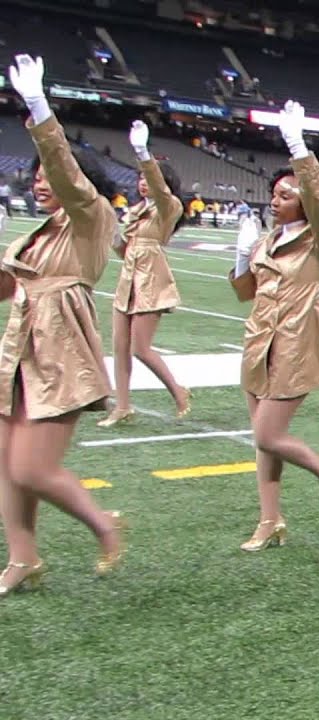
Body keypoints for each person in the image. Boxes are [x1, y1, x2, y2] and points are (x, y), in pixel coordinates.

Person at [0, 54, 127, 595]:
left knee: (31, 469)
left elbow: (70, 179)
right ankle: (22, 558)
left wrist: (37, 109)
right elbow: (8, 287)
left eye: (47, 173)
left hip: (60, 350)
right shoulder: (35, 235)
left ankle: (103, 522)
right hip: (19, 350)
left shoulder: (92, 214)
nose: (40, 182)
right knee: (6, 464)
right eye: (34, 176)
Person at [227, 101, 319, 552]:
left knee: (267, 434)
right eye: (274, 194)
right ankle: (270, 520)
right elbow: (246, 293)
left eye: (286, 195)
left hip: (296, 342)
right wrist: (242, 258)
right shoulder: (267, 239)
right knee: (264, 443)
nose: (275, 201)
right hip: (258, 341)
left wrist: (298, 147)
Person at [100, 120, 192, 427]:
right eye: (140, 177)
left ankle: (178, 389)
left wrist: (142, 152)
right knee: (119, 346)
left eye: (148, 177)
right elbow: (125, 250)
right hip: (129, 277)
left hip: (152, 277)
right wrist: (113, 236)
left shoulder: (171, 206)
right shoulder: (136, 210)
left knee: (140, 347)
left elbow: (162, 194)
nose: (143, 182)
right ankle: (123, 405)